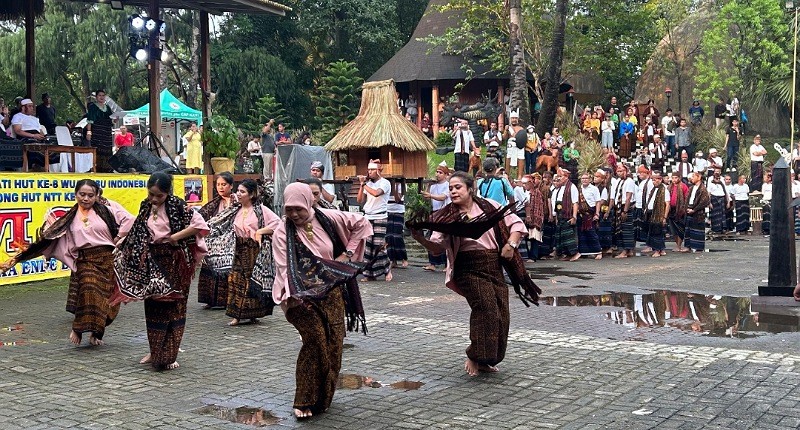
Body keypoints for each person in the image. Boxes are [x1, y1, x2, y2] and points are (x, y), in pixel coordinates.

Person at [410, 172, 540, 377]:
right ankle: (474, 355)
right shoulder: (446, 215)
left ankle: (487, 359)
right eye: (450, 188)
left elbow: (516, 225)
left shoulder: (489, 206)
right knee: (486, 307)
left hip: (493, 264)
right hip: (467, 266)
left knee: (501, 313)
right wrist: (420, 239)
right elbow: (437, 247)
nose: (452, 191)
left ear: (470, 188)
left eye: (457, 187)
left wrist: (511, 244)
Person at [272, 183, 372, 419]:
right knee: (315, 341)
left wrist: (346, 255)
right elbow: (285, 268)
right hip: (298, 296)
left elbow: (362, 223)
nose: (294, 214)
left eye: (299, 209)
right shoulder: (281, 232)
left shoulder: (328, 218)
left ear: (309, 202)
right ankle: (304, 399)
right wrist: (297, 297)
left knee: (334, 345)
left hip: (331, 291)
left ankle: (323, 398)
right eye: (289, 209)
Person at [0, 179, 134, 346]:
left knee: (108, 302)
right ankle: (78, 329)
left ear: (97, 195)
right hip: (85, 260)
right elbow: (47, 239)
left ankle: (97, 333)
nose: (86, 198)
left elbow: (130, 220)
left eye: (90, 195)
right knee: (88, 288)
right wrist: (18, 258)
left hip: (108, 259)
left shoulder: (108, 209)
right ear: (76, 194)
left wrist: (120, 236)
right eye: (82, 194)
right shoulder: (70, 217)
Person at [112, 172, 209, 370]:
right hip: (152, 261)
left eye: (159, 196)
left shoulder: (178, 206)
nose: (154, 199)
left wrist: (176, 237)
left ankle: (170, 354)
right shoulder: (145, 206)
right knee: (154, 306)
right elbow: (138, 229)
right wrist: (123, 243)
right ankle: (155, 351)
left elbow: (199, 225)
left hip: (175, 260)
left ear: (168, 193)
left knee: (173, 307)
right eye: (151, 194)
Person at [204, 179, 280, 326]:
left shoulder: (261, 210)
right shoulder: (234, 209)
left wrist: (260, 231)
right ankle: (236, 316)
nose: (238, 194)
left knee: (252, 282)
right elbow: (217, 222)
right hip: (238, 249)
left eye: (242, 192)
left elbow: (278, 224)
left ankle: (253, 314)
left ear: (251, 195)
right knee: (234, 280)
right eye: (238, 191)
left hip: (254, 251)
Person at [197, 172, 236, 309]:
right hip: (214, 239)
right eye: (218, 184)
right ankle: (210, 299)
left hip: (230, 239)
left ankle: (224, 300)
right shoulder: (214, 203)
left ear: (231, 186)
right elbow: (202, 217)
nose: (221, 187)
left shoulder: (236, 203)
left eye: (224, 184)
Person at [356, 160, 392, 281]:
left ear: (378, 171)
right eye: (368, 170)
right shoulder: (368, 184)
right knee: (368, 246)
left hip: (380, 217)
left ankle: (387, 269)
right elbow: (360, 200)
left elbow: (377, 193)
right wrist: (362, 186)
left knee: (378, 245)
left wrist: (363, 184)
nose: (369, 172)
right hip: (368, 216)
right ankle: (369, 274)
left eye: (372, 170)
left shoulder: (385, 183)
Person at [422, 162, 451, 271]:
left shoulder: (448, 185)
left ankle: (447, 265)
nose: (437, 174)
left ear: (445, 174)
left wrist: (430, 195)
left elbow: (443, 197)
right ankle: (432, 263)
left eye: (440, 172)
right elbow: (426, 198)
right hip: (434, 213)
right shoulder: (433, 186)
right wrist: (428, 186)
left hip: (444, 213)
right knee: (431, 239)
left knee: (444, 239)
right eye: (437, 172)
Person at [85, 90, 115, 172]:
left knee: (108, 150)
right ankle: (97, 169)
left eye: (103, 95)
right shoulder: (93, 107)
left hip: (107, 133)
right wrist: (89, 131)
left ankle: (107, 169)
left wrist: (115, 120)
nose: (102, 97)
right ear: (96, 97)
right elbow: (90, 120)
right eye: (100, 95)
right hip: (97, 132)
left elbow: (110, 120)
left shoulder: (108, 108)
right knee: (98, 150)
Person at [643, 170, 670, 257]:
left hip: (659, 215)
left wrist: (664, 217)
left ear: (660, 180)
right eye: (653, 180)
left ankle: (657, 250)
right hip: (651, 213)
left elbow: (667, 204)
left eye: (656, 180)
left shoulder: (664, 190)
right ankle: (661, 249)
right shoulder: (653, 190)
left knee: (657, 233)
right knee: (653, 232)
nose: (655, 181)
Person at [612, 163, 637, 258]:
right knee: (622, 229)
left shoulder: (629, 181)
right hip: (619, 207)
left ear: (626, 171)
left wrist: (625, 211)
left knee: (626, 230)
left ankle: (625, 251)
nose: (619, 173)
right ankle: (628, 250)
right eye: (618, 171)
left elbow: (628, 197)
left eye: (621, 171)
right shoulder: (619, 181)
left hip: (626, 207)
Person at [682, 172, 710, 252]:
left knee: (698, 230)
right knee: (688, 230)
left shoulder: (702, 189)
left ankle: (699, 247)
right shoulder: (691, 188)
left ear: (699, 177)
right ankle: (688, 246)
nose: (692, 178)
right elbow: (687, 198)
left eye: (693, 176)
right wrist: (686, 207)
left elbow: (704, 201)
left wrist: (694, 210)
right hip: (689, 209)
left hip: (698, 212)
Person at [578, 172, 602, 259]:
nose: (584, 180)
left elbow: (598, 201)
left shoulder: (594, 189)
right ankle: (584, 252)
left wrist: (597, 213)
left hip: (590, 212)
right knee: (582, 233)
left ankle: (598, 251)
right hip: (581, 214)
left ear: (590, 180)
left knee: (591, 232)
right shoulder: (579, 189)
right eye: (582, 178)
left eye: (586, 178)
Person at [386, 179, 409, 269]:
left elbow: (397, 199)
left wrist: (394, 185)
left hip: (398, 210)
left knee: (397, 235)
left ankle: (404, 258)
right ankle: (392, 259)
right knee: (389, 236)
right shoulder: (386, 184)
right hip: (387, 210)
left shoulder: (402, 185)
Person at [523, 173, 545, 261]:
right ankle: (528, 254)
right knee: (526, 237)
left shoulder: (537, 193)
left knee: (534, 238)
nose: (525, 185)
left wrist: (534, 218)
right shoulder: (525, 192)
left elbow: (538, 207)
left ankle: (533, 256)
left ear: (531, 183)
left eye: (526, 183)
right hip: (527, 217)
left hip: (535, 218)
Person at [668, 172, 689, 252]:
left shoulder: (683, 186)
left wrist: (683, 208)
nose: (674, 180)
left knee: (680, 229)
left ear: (679, 178)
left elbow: (686, 198)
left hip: (680, 210)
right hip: (671, 210)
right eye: (672, 178)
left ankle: (679, 245)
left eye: (676, 178)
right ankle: (677, 245)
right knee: (673, 230)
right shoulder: (670, 187)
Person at [594, 169, 614, 254]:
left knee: (605, 230)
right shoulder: (593, 187)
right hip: (594, 210)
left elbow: (603, 201)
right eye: (595, 176)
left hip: (602, 211)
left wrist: (595, 204)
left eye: (598, 177)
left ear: (602, 179)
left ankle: (608, 247)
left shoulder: (604, 188)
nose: (595, 178)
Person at [706, 168, 729, 234]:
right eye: (717, 179)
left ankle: (722, 229)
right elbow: (709, 194)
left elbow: (726, 192)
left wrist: (728, 201)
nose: (718, 180)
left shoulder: (722, 183)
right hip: (714, 199)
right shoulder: (711, 183)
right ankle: (716, 229)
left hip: (722, 198)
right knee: (715, 215)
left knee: (722, 215)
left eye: (719, 178)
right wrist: (709, 202)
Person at [762, 171, 773, 235]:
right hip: (765, 200)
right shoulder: (764, 185)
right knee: (766, 215)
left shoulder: (773, 185)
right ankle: (766, 228)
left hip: (771, 200)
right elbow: (763, 193)